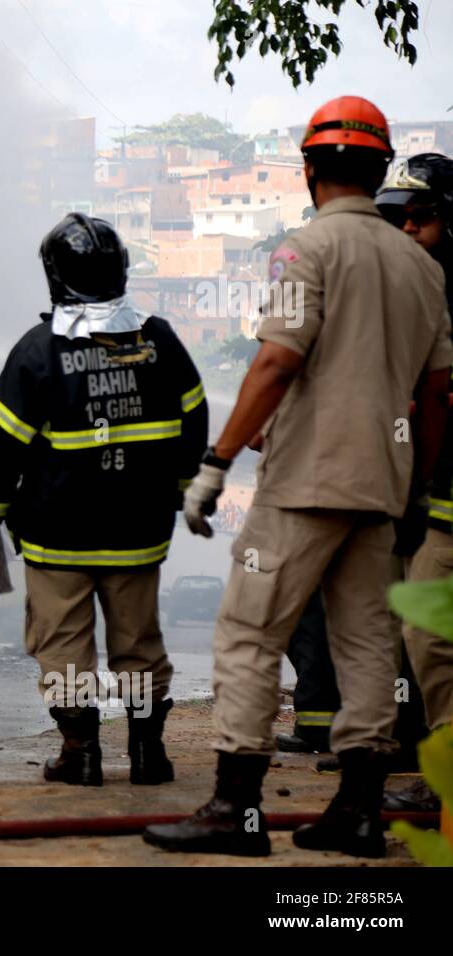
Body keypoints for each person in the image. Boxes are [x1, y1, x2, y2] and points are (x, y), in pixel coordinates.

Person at [142, 96, 452, 858]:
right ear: (378, 170)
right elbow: (438, 392)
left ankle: (235, 810)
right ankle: (359, 811)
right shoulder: (420, 266)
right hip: (382, 488)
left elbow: (277, 359)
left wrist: (217, 463)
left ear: (310, 169)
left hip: (306, 482)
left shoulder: (305, 252)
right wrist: (411, 484)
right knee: (366, 647)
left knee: (248, 632)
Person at [0, 213, 207, 787]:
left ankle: (81, 753)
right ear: (120, 270)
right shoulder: (160, 341)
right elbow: (192, 423)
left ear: (54, 275)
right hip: (138, 533)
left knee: (64, 647)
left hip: (59, 538)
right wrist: (171, 493)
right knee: (139, 643)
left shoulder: (40, 351)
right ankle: (149, 754)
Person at [375, 151, 453, 813]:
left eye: (420, 219)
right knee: (427, 640)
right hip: (433, 505)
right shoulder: (406, 295)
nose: (407, 232)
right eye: (396, 219)